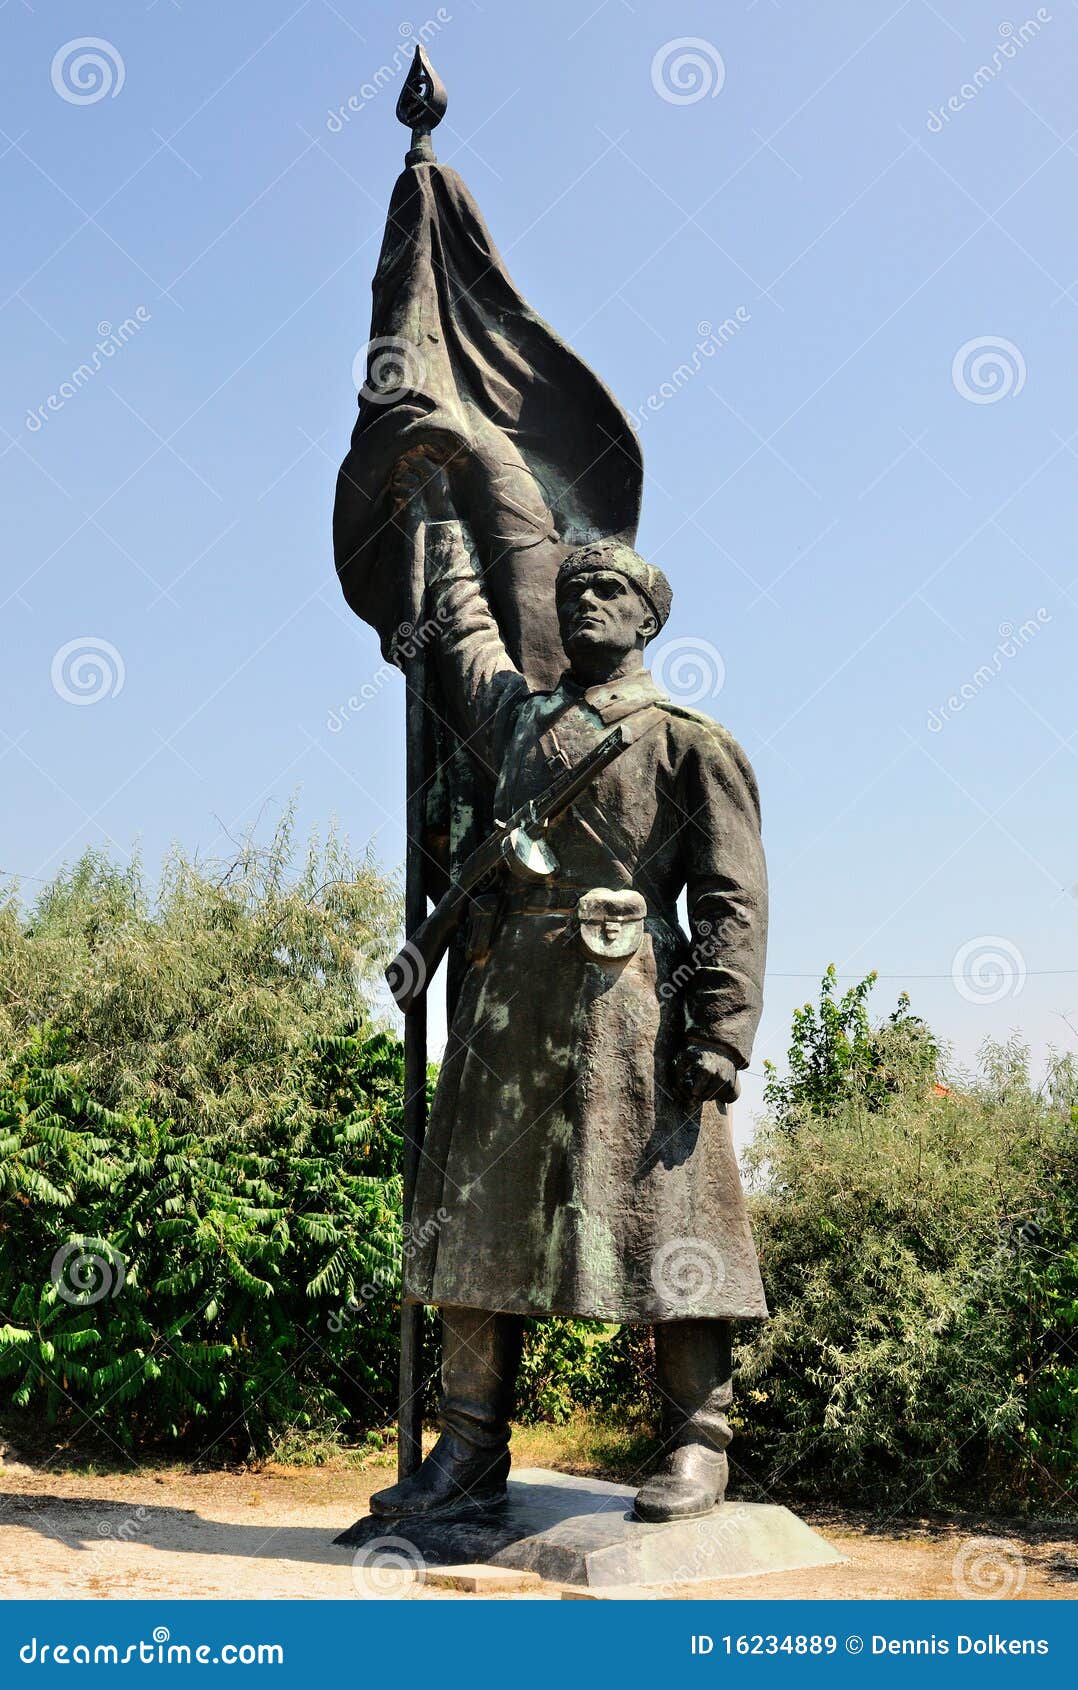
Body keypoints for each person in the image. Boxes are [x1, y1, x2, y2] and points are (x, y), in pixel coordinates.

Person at [371, 461, 769, 1524]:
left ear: (648, 616)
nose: (585, 601)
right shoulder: (518, 721)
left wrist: (719, 1034)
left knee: (668, 1225)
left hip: (634, 1002)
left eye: (610, 592)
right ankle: (466, 1453)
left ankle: (698, 1442)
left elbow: (731, 894)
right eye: (571, 591)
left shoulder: (688, 741)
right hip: (508, 1008)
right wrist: (439, 512)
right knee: (479, 1227)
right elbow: (460, 635)